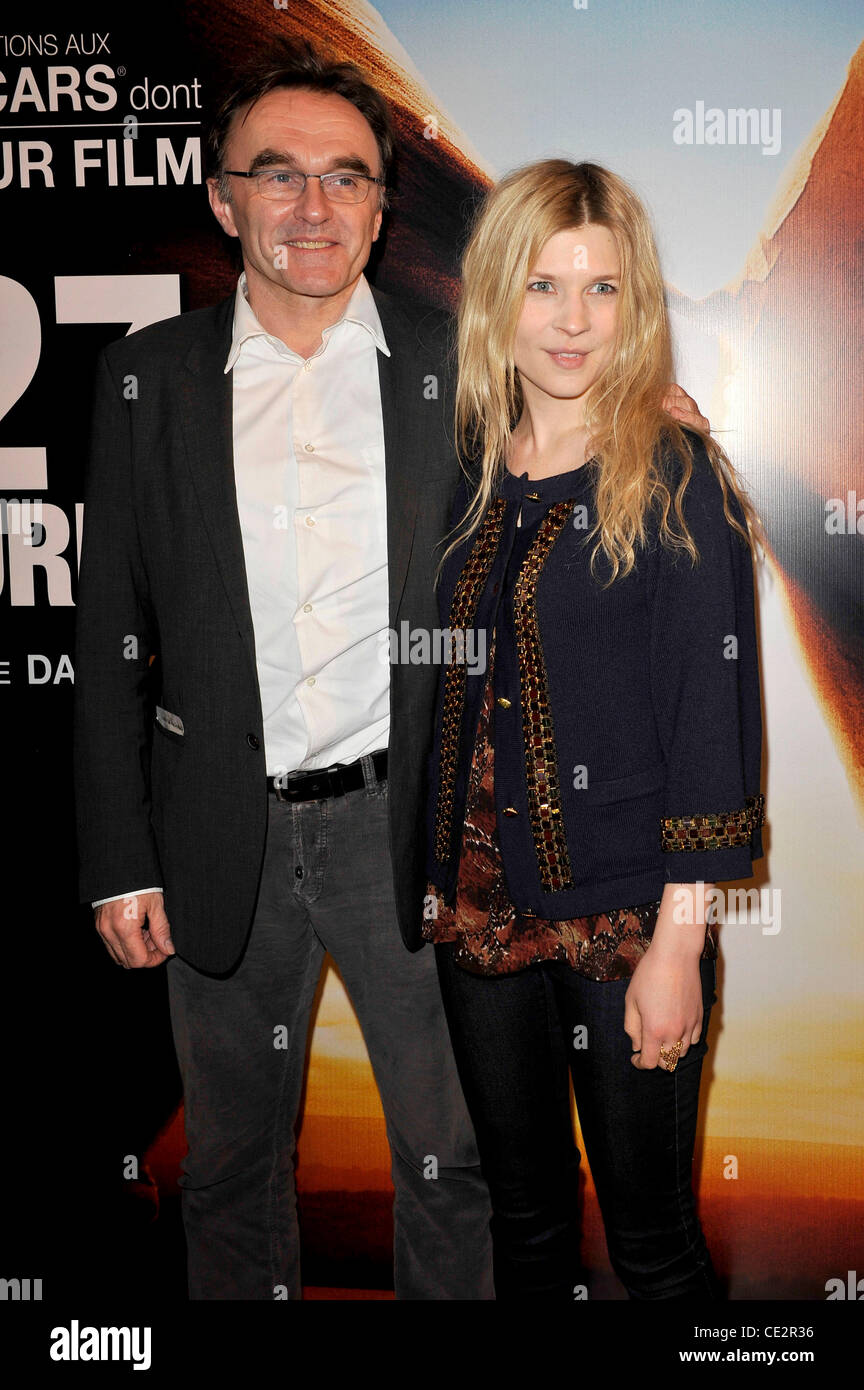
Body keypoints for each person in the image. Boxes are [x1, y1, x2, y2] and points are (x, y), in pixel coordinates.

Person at [73, 36, 708, 1300]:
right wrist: (117, 856)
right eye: (279, 174)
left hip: (411, 825)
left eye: (346, 178)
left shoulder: (457, 362)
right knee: (231, 1164)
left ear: (381, 204)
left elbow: (582, 405)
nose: (313, 207)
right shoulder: (146, 380)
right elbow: (108, 638)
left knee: (449, 1157)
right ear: (223, 196)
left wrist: (659, 410)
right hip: (214, 831)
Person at [424, 159, 765, 1301]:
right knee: (523, 1230)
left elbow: (711, 722)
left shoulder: (675, 476)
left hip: (622, 921)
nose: (572, 322)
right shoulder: (468, 473)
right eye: (543, 285)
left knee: (653, 1247)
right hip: (478, 917)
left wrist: (678, 947)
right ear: (494, 299)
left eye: (604, 289)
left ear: (639, 304)